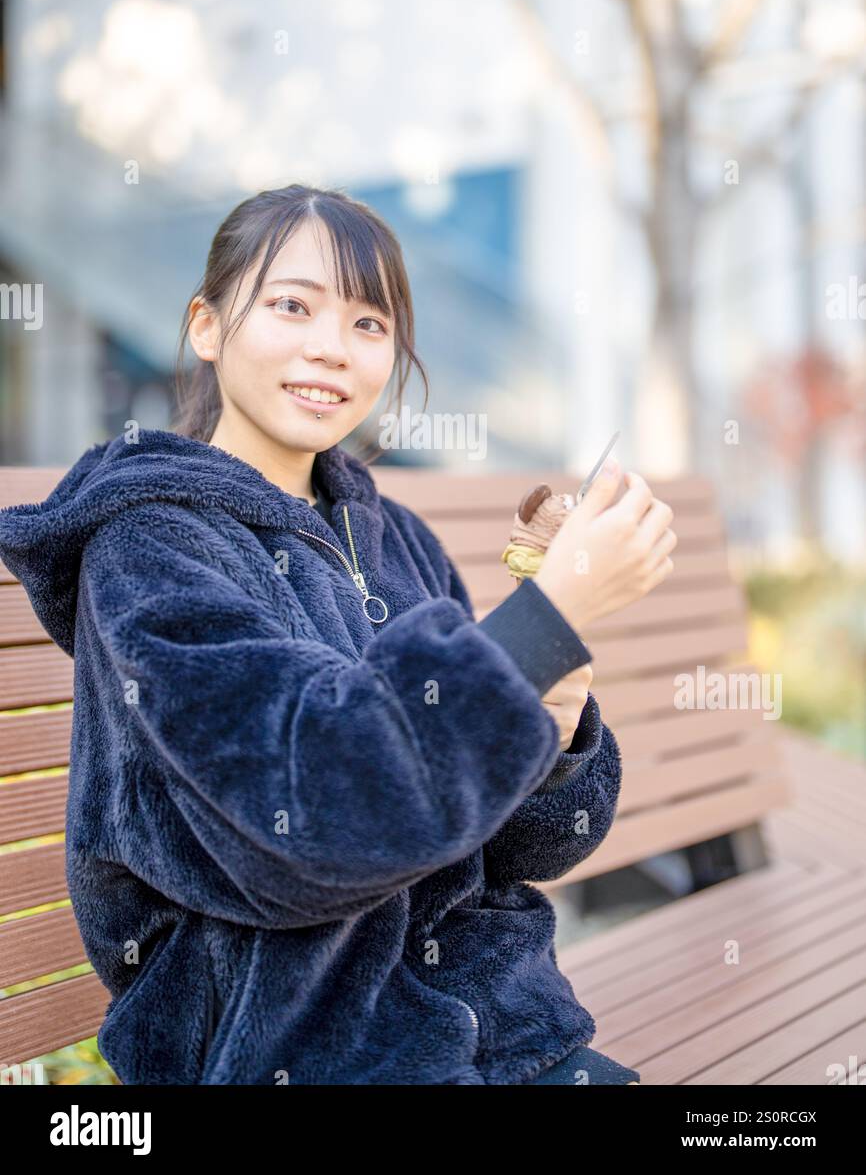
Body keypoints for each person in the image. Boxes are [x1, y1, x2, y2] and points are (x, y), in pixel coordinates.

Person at [0, 184, 675, 1086]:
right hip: (297, 1050)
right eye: (291, 306)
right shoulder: (151, 548)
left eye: (369, 323)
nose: (331, 348)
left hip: (506, 1032)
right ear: (206, 325)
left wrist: (550, 715)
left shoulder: (394, 538)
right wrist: (547, 618)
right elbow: (312, 825)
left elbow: (524, 847)